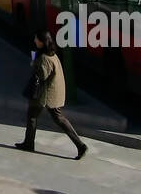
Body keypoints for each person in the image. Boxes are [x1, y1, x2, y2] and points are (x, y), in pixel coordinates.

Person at [14, 30, 88, 159]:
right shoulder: (51, 53)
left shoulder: (44, 58)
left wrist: (34, 63)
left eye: (36, 39)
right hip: (54, 92)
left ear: (42, 42)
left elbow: (42, 76)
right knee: (55, 118)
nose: (34, 41)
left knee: (35, 116)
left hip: (46, 94)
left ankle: (29, 143)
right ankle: (80, 145)